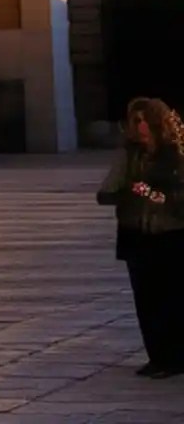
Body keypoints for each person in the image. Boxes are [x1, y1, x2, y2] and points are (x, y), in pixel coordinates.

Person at [97, 97, 184, 379]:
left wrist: (153, 194)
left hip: (171, 236)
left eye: (145, 120)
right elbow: (106, 192)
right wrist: (128, 189)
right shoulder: (129, 155)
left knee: (171, 300)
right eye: (135, 121)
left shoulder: (176, 155)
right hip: (136, 235)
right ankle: (156, 356)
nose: (140, 127)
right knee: (145, 300)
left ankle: (174, 358)